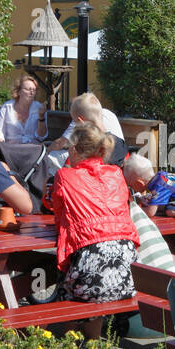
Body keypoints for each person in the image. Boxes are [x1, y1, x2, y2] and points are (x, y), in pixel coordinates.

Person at [52, 124, 140, 335]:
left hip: (90, 266)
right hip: (128, 273)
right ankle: (92, 343)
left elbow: (58, 214)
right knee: (90, 278)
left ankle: (69, 346)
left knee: (66, 286)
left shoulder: (65, 176)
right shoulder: (116, 174)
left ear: (73, 150)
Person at [47, 92, 126, 168]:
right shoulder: (121, 145)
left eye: (75, 121)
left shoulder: (86, 152)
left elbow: (61, 143)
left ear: (81, 121)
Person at [0, 74, 49, 144]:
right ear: (18, 91)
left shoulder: (39, 108)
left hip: (32, 149)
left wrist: (41, 117)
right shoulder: (7, 107)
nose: (31, 92)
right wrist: (0, 143)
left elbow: (41, 137)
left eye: (34, 90)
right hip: (11, 149)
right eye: (28, 89)